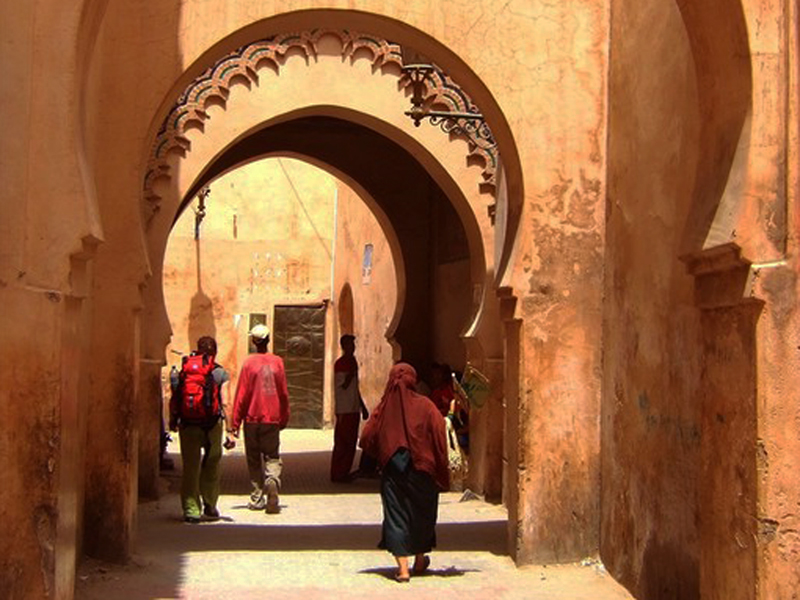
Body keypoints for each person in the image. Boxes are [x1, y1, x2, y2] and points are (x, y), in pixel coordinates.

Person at [359, 363, 449, 582]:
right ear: (413, 380)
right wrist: (441, 467)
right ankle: (420, 559)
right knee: (422, 514)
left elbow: (367, 437)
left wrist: (383, 452)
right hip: (423, 471)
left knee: (396, 515)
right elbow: (439, 435)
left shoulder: (384, 408)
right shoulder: (426, 406)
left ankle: (403, 569)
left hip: (394, 472)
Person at [168, 336, 232, 523]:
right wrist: (230, 429)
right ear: (215, 352)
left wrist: (172, 420)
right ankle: (210, 504)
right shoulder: (220, 373)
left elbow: (175, 396)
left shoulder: (185, 371)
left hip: (188, 425)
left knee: (190, 468)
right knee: (212, 464)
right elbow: (226, 402)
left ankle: (191, 510)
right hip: (212, 425)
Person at [228, 324, 290, 514]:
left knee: (253, 459)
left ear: (254, 342)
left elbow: (242, 395)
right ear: (269, 339)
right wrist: (284, 417)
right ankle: (272, 481)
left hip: (252, 419)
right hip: (272, 418)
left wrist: (234, 424)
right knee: (272, 456)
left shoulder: (249, 363)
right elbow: (283, 393)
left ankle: (257, 497)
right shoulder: (278, 362)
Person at [330, 334, 369, 482]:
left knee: (351, 442)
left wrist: (362, 406)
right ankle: (337, 473)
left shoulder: (352, 362)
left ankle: (344, 472)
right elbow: (344, 386)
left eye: (353, 345)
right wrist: (351, 373)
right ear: (343, 346)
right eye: (349, 345)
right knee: (342, 442)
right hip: (344, 409)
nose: (352, 348)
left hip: (353, 408)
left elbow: (354, 388)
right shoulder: (340, 364)